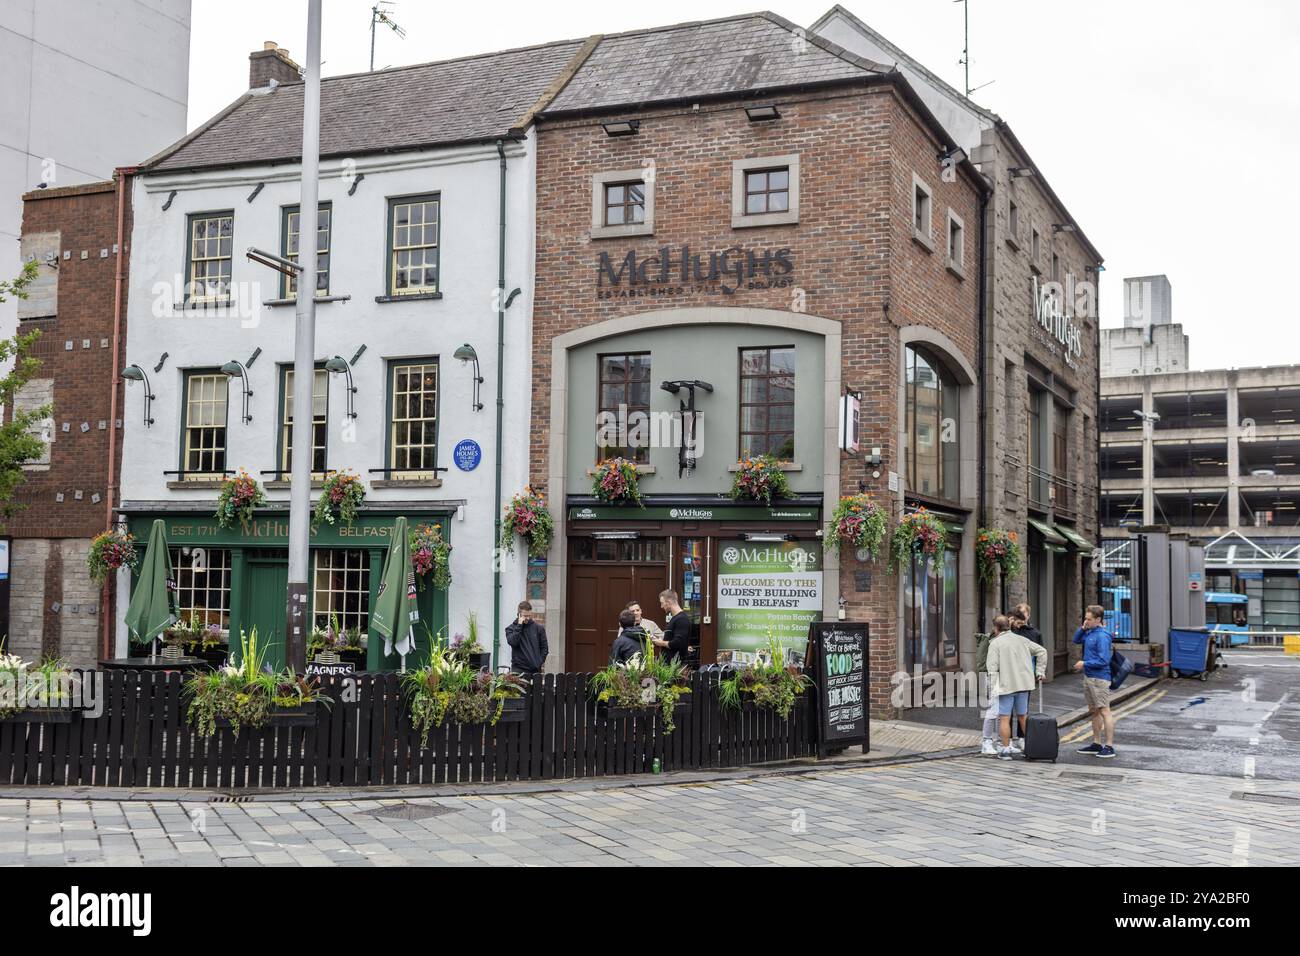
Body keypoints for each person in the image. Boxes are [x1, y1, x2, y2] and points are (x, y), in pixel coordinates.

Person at [985, 613, 1048, 761]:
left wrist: (992, 688)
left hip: (1006, 686)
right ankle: (1030, 748)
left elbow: (992, 668)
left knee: (1005, 718)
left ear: (996, 628)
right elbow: (1042, 651)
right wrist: (1039, 671)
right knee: (1023, 717)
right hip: (1024, 685)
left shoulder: (995, 643)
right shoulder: (1022, 640)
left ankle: (1006, 750)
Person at [1072, 604, 1116, 758]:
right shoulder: (1090, 632)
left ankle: (1109, 746)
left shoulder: (1102, 636)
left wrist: (1084, 663)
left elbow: (1104, 660)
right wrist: (1083, 628)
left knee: (1104, 710)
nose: (1086, 621)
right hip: (1090, 677)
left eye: (1089, 619)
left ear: (1098, 619)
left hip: (1100, 678)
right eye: (1085, 618)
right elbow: (1076, 640)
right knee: (1094, 711)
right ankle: (1096, 744)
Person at [976, 618, 1004, 756]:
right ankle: (986, 742)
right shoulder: (991, 641)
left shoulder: (998, 640)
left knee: (1001, 711)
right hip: (993, 678)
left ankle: (999, 742)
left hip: (1002, 678)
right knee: (994, 709)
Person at [504, 600, 548, 677]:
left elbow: (544, 648)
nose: (527, 618)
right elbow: (513, 642)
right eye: (525, 616)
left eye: (529, 615)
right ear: (519, 615)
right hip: (518, 670)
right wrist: (519, 625)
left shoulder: (538, 629)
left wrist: (538, 662)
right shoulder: (510, 628)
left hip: (535, 671)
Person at [656, 589, 692, 664]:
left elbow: (678, 643)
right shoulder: (676, 618)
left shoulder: (681, 619)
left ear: (668, 602)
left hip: (674, 667)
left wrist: (661, 642)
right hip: (670, 666)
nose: (661, 606)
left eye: (662, 603)